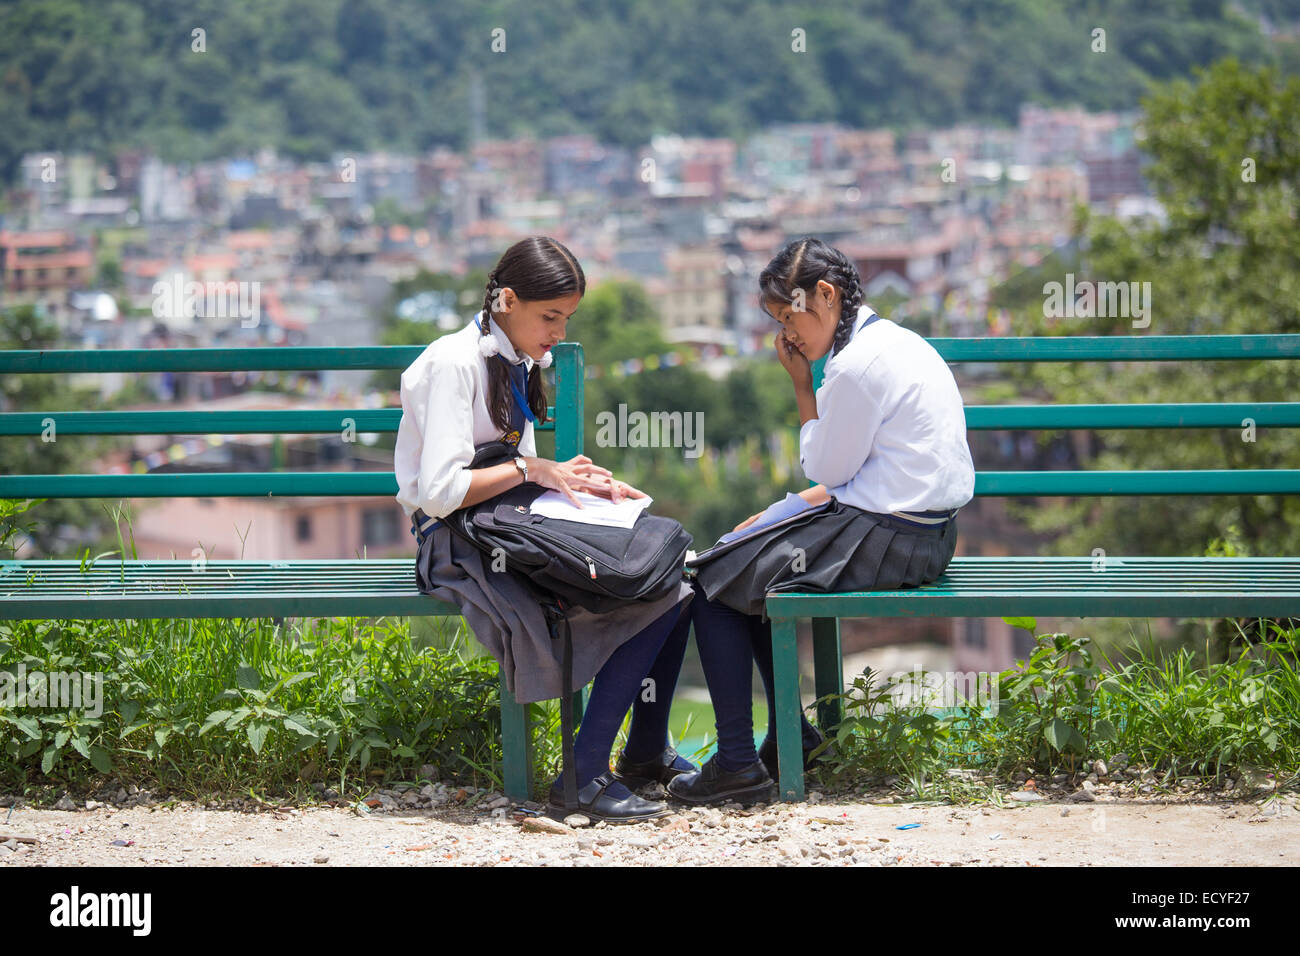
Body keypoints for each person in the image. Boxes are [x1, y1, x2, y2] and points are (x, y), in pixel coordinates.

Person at [395, 236, 696, 822]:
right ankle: (583, 775)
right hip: (456, 542)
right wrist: (536, 471)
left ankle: (643, 752)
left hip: (501, 526)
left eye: (567, 319)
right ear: (507, 300)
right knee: (651, 592)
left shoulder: (517, 359)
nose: (558, 332)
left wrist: (577, 485)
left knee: (674, 575)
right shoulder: (453, 363)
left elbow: (521, 472)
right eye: (550, 316)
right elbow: (440, 492)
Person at [670, 237, 976, 806]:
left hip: (888, 539)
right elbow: (867, 471)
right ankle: (792, 738)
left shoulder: (853, 367)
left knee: (712, 585)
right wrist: (783, 513)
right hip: (929, 536)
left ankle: (736, 762)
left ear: (827, 295)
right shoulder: (897, 342)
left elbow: (829, 468)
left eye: (791, 316)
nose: (787, 334)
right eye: (778, 322)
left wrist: (801, 385)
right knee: (745, 568)